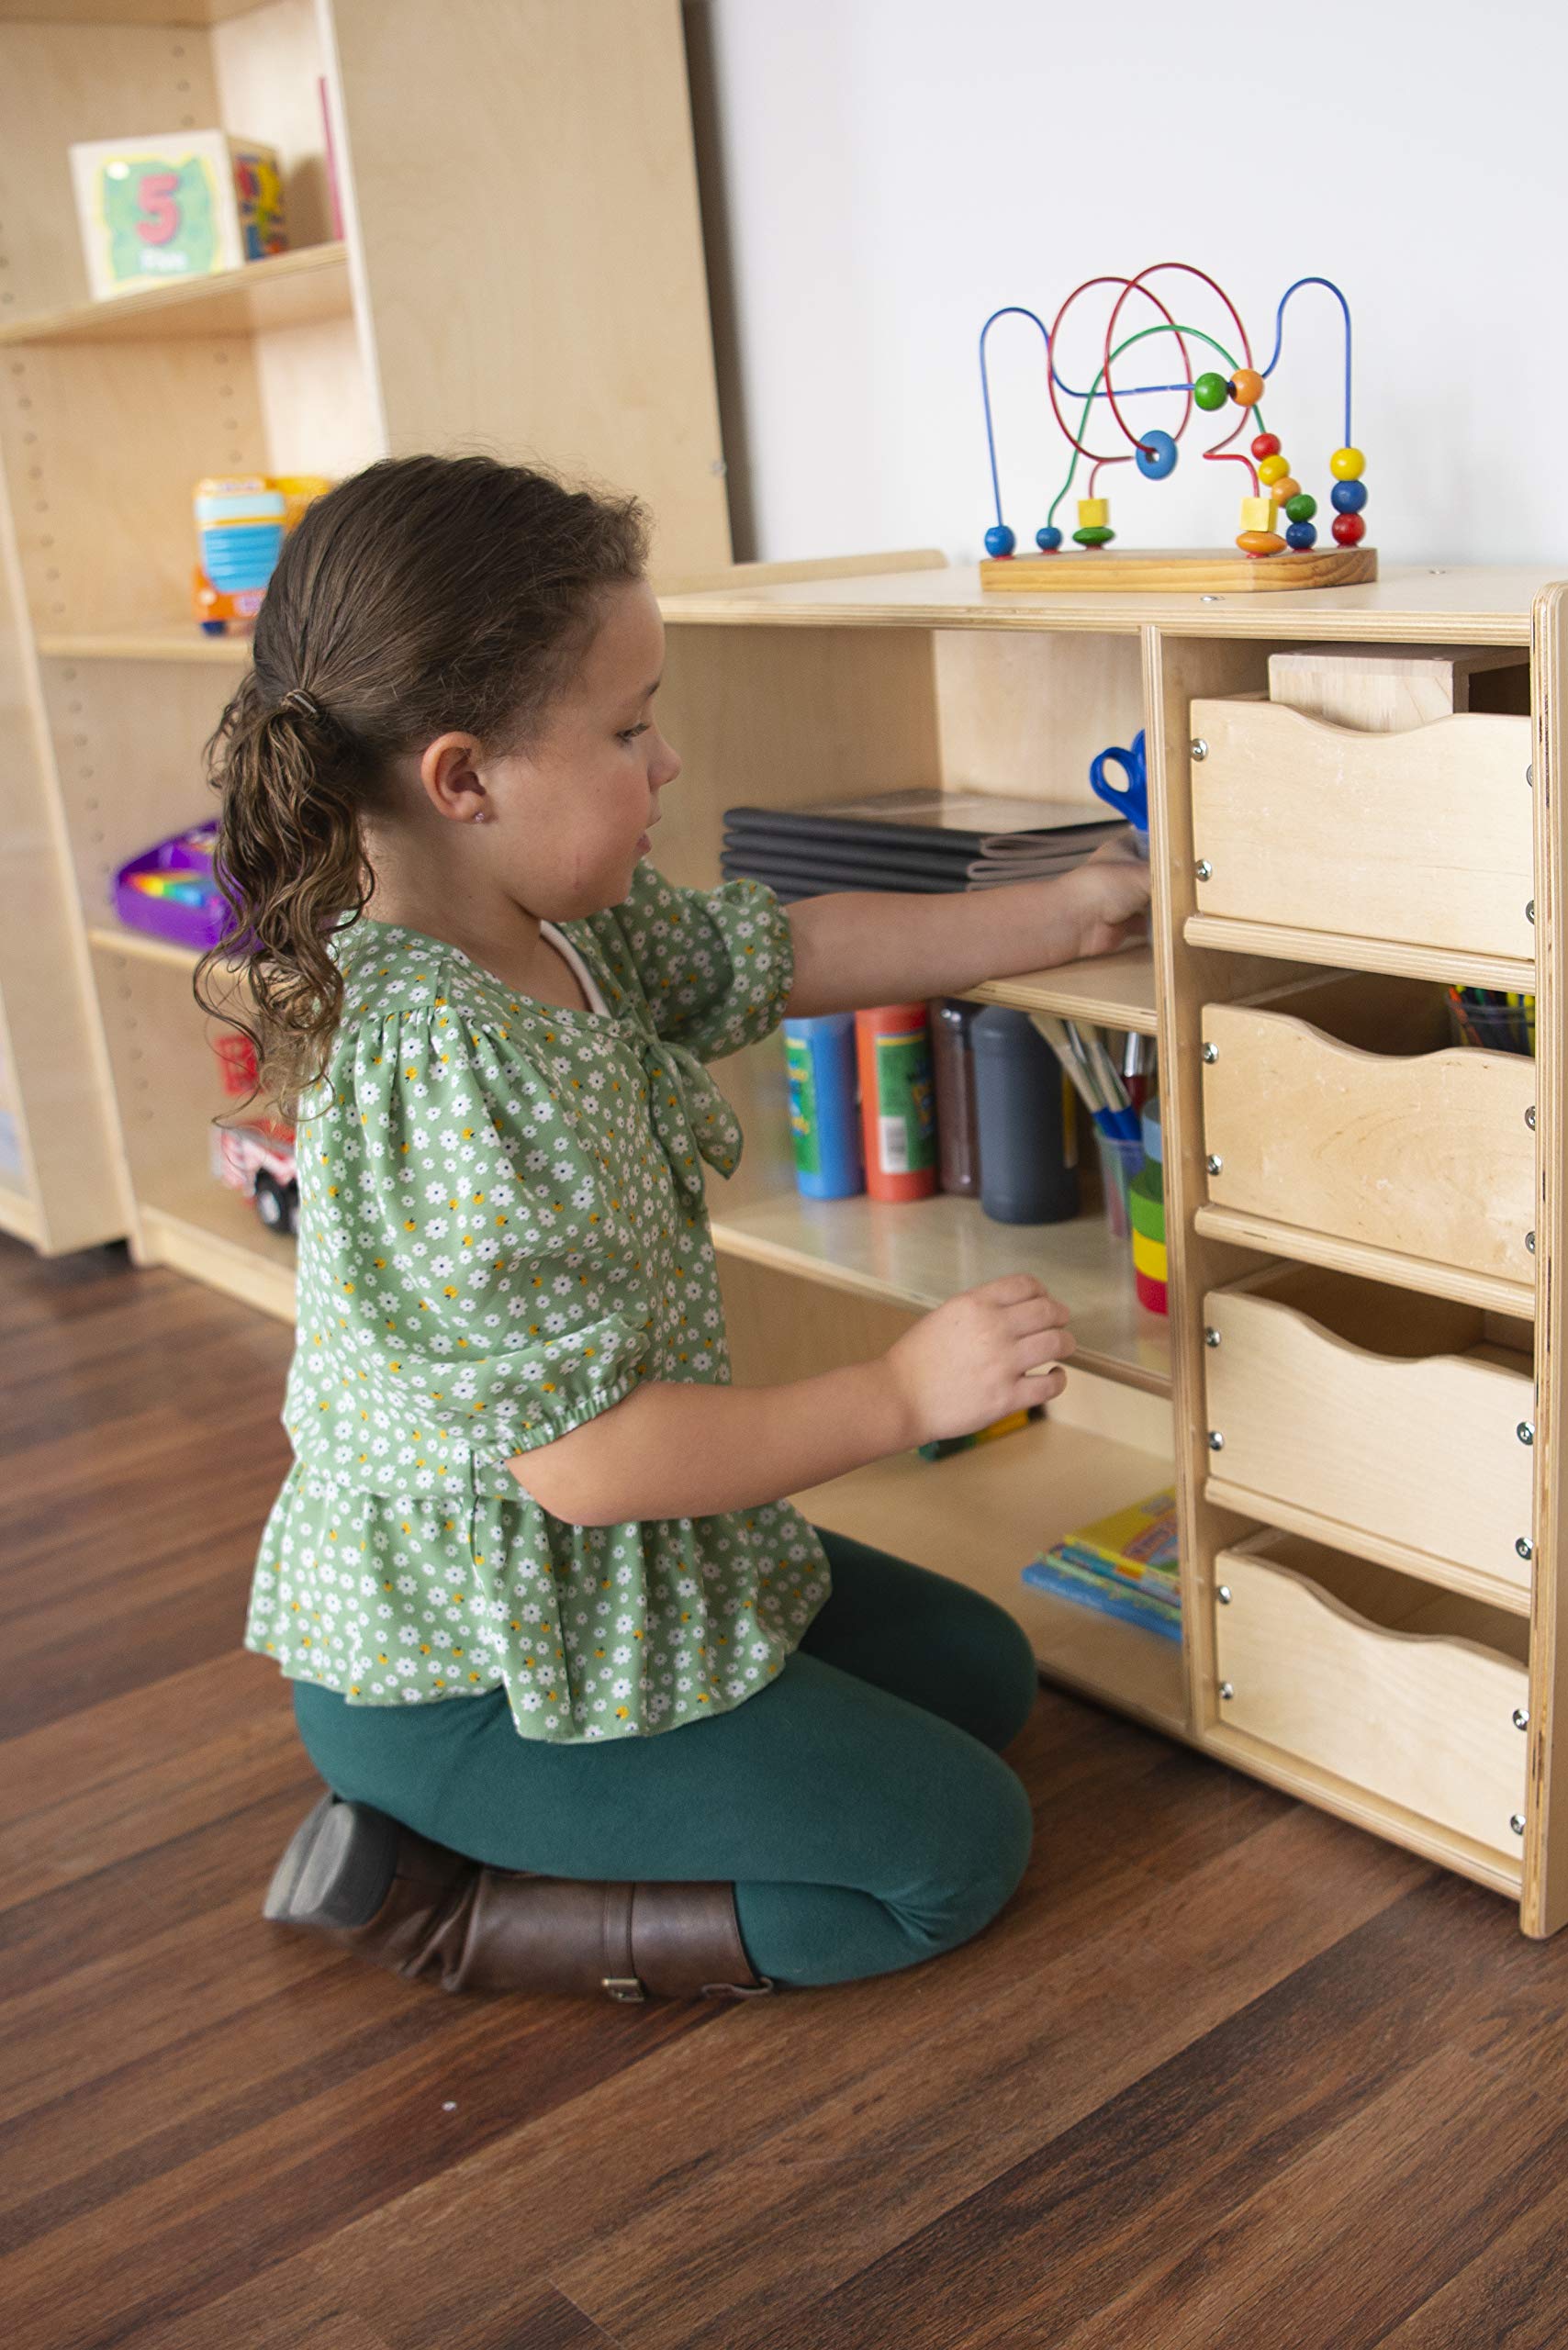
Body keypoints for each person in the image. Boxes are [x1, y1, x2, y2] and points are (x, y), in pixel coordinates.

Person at [201, 453, 1152, 2001]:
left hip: (646, 1570)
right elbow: (586, 1468)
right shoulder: (443, 1065)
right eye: (631, 728)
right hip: (482, 1670)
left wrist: (1065, 910)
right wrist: (904, 1398)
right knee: (953, 1855)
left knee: (987, 1677)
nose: (671, 760)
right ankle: (452, 1910)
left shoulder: (545, 918)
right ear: (464, 777)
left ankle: (537, 1833)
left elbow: (780, 950)